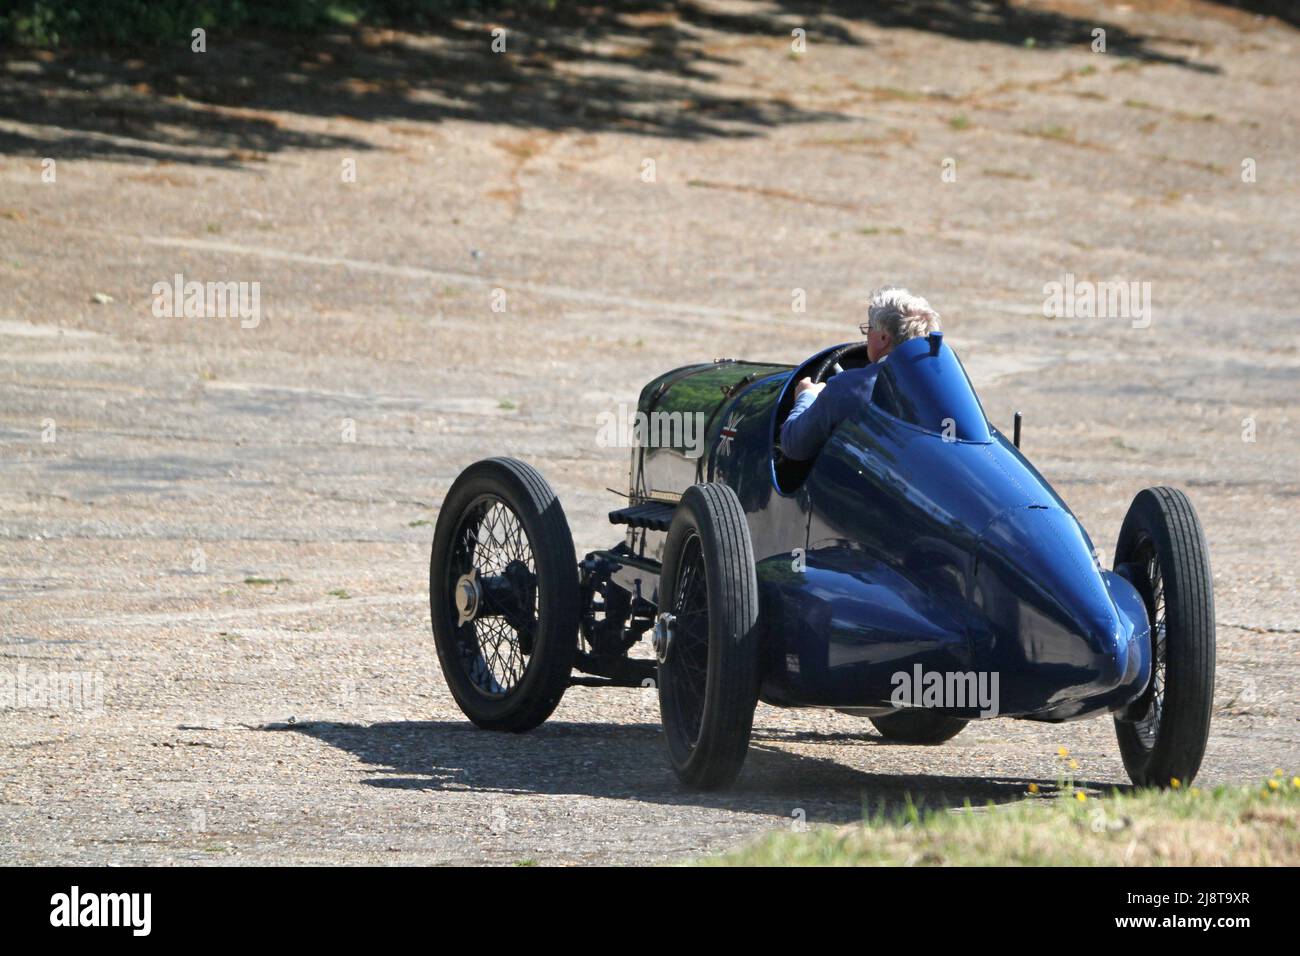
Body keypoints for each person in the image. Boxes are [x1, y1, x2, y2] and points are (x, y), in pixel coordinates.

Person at [780, 286, 942, 461]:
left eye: (869, 328)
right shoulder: (945, 388)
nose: (867, 335)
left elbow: (794, 445)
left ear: (883, 338)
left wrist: (806, 396)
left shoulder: (847, 387)